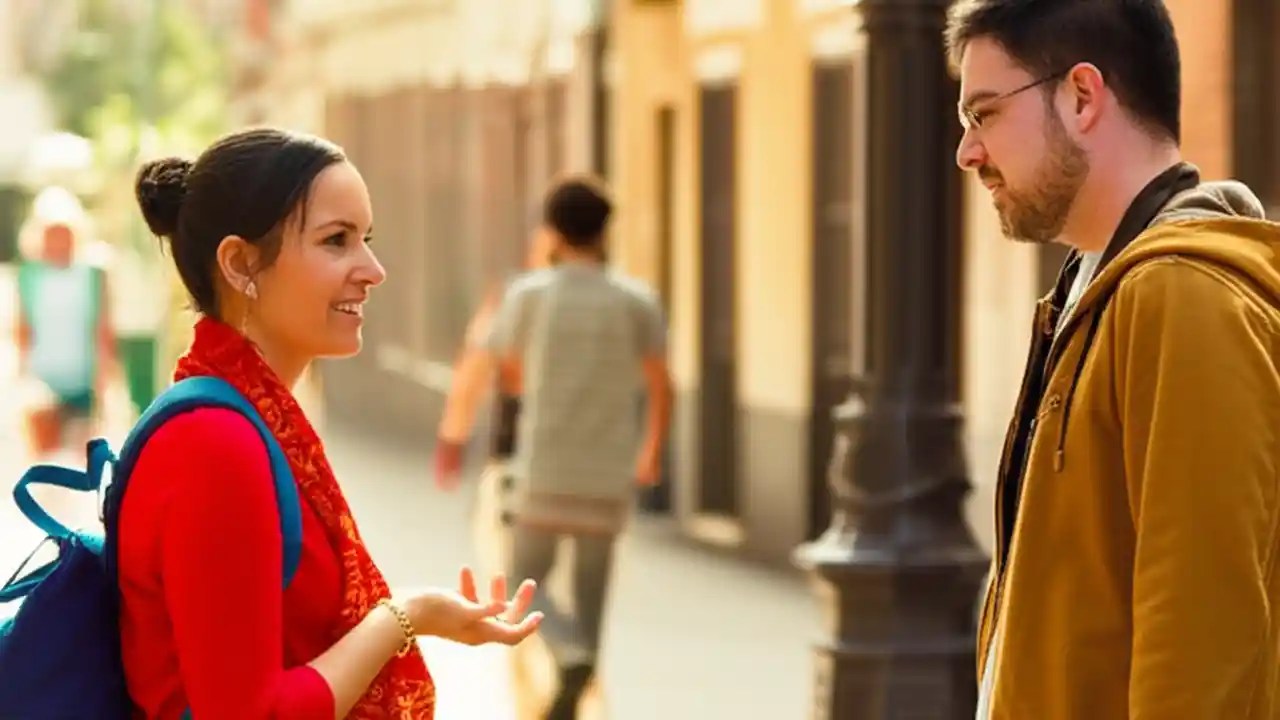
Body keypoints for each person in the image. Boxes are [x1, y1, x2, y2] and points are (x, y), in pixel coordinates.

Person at [118, 127, 543, 719]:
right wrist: (404, 617)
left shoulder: (255, 420)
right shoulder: (216, 442)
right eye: (336, 241)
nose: (373, 269)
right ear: (241, 264)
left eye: (366, 238)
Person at [945, 1, 1280, 717]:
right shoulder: (1093, 287)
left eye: (985, 115)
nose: (967, 152)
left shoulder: (1183, 296)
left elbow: (1202, 637)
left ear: (1083, 95)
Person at [433, 177, 672, 719]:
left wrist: (454, 432)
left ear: (553, 230)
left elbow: (493, 359)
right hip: (608, 474)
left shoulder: (531, 295)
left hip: (545, 468)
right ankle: (580, 680)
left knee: (524, 582)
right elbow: (662, 382)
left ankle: (567, 654)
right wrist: (651, 450)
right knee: (593, 600)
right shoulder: (637, 301)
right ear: (606, 230)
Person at [14, 186, 119, 458]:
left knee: (84, 461)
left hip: (84, 380)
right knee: (44, 462)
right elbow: (23, 327)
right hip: (44, 381)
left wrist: (105, 381)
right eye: (52, 233)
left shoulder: (93, 274)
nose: (59, 241)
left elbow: (104, 328)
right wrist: (22, 378)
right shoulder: (29, 275)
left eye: (65, 233)